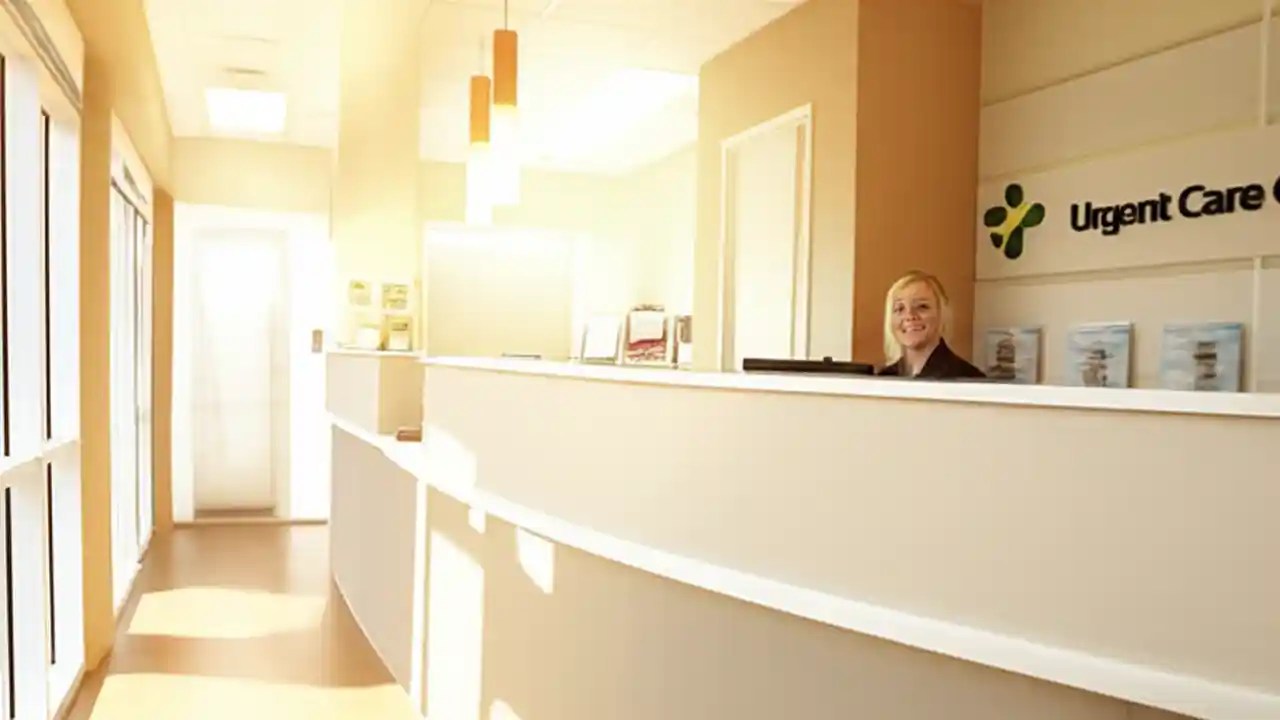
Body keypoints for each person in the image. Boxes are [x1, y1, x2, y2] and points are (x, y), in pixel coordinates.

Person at [876, 270, 985, 380]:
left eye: (922, 306)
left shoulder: (968, 378)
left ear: (941, 313)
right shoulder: (882, 379)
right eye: (899, 309)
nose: (909, 315)